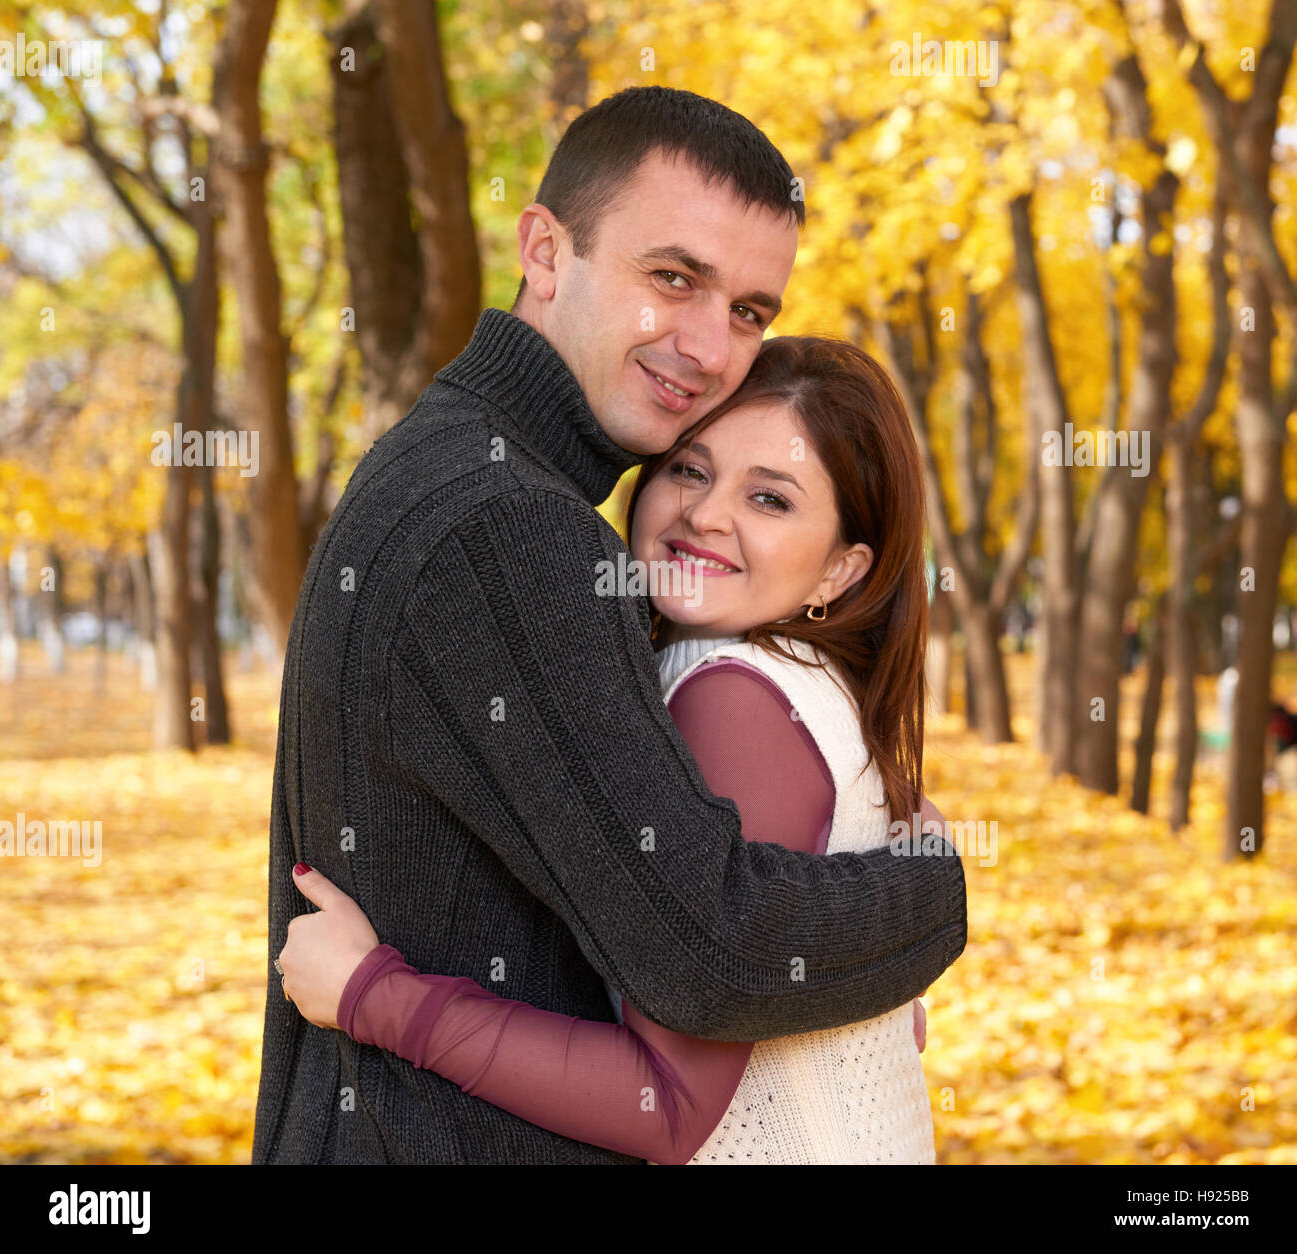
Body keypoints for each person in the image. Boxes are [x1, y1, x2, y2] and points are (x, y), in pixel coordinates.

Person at [252, 85, 966, 1166]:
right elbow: (711, 951)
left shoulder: (452, 467)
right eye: (672, 278)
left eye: (748, 310)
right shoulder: (514, 530)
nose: (707, 346)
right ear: (547, 252)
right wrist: (928, 898)